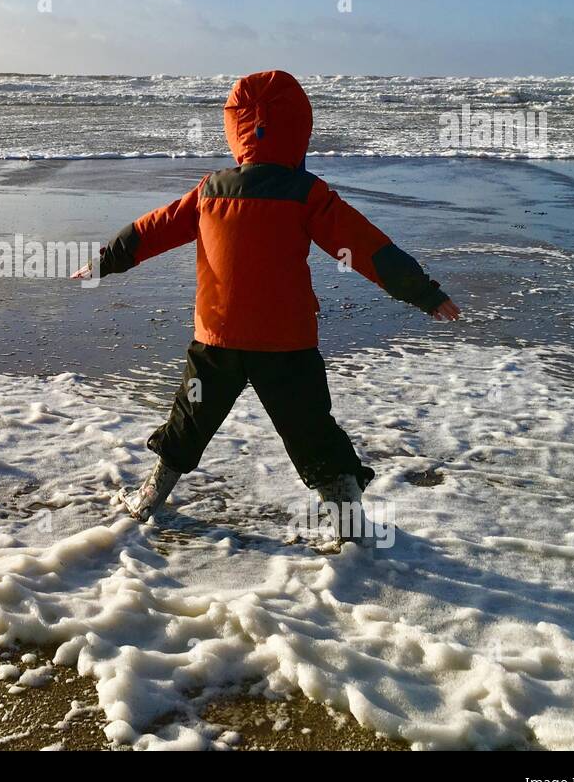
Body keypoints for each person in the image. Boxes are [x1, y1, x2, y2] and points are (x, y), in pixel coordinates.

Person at [79, 70, 460, 533]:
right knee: (310, 429)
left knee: (190, 420)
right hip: (286, 343)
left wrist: (104, 261)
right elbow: (366, 246)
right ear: (300, 129)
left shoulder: (209, 191)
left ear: (236, 129)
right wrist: (424, 293)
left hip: (216, 341)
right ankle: (350, 523)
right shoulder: (306, 193)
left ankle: (148, 499)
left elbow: (152, 230)